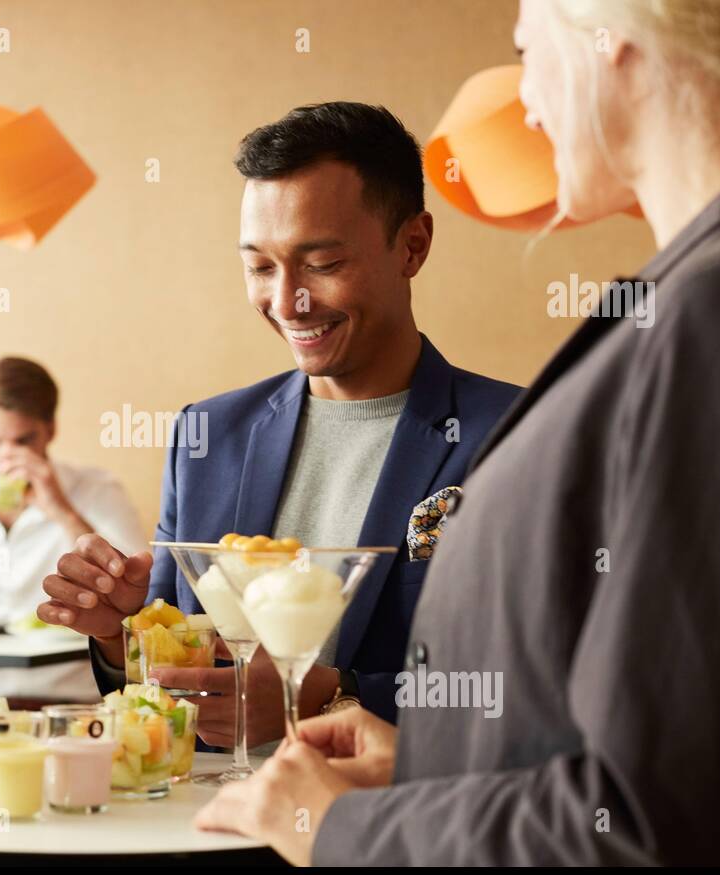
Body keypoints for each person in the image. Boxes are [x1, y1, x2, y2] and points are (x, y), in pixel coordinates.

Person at [195, 0, 720, 865]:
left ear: (615, 37)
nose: (524, 103)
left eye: (527, 49)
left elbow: (654, 841)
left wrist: (332, 829)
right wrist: (435, 770)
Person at [38, 103, 520, 749]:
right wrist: (116, 632)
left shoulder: (523, 434)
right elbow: (168, 670)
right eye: (261, 267)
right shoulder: (207, 433)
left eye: (321, 264)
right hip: (206, 824)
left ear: (412, 245)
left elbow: (532, 683)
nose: (287, 301)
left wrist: (329, 697)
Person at [0, 356, 145, 702]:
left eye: (23, 441)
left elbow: (133, 598)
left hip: (73, 701)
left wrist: (60, 509)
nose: (6, 457)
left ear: (50, 430)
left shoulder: (97, 490)